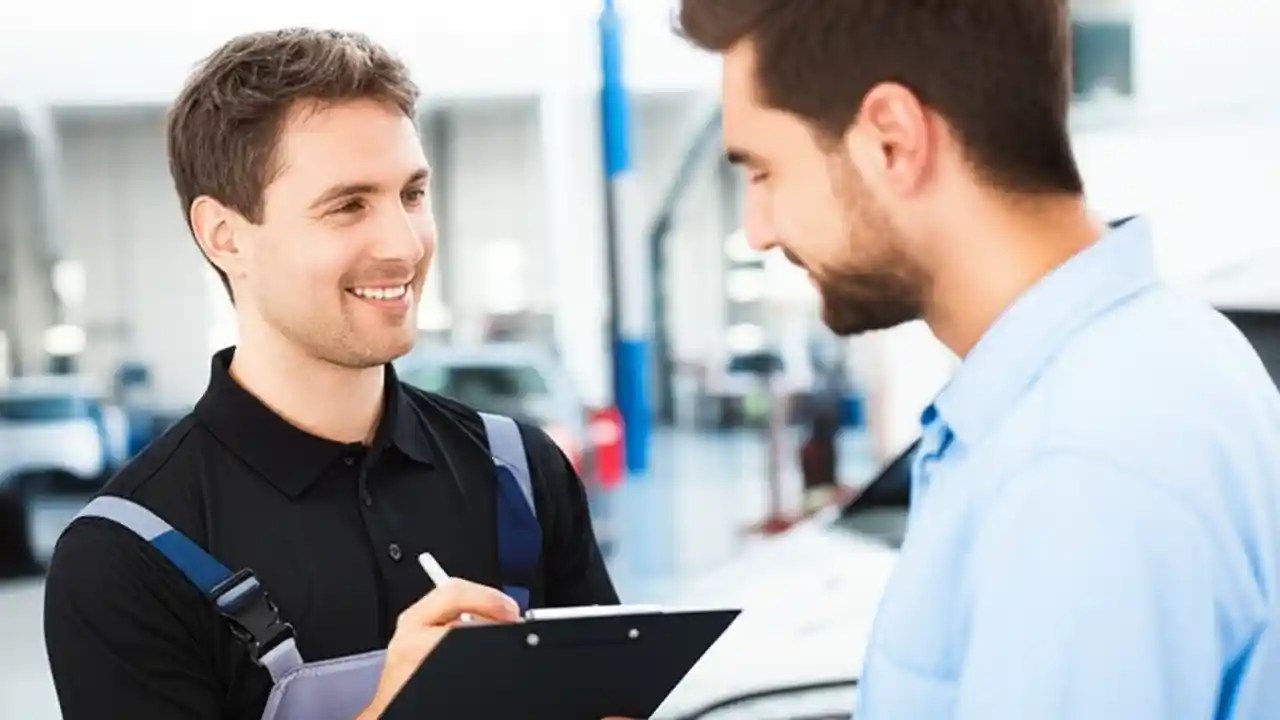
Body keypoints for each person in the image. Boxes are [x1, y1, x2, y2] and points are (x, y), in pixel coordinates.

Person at [677, 1, 1280, 718]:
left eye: (764, 172)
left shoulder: (1075, 467)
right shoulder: (1169, 352)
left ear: (892, 140)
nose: (758, 230)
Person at [42, 28, 618, 720]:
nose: (404, 245)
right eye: (349, 205)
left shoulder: (521, 473)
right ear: (225, 236)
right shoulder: (124, 559)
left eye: (411, 194)